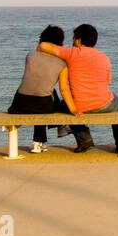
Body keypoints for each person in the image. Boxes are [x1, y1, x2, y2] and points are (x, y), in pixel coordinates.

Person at [38, 23, 118, 154]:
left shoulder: (72, 53)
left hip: (79, 107)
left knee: (65, 105)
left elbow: (43, 46)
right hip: (104, 103)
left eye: (73, 38)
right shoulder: (104, 57)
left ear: (78, 40)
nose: (72, 42)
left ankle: (84, 140)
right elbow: (106, 82)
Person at [8, 25, 77, 154]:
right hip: (42, 106)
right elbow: (64, 89)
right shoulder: (62, 63)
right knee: (46, 96)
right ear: (60, 42)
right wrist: (73, 109)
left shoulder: (30, 55)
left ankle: (38, 142)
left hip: (19, 105)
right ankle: (56, 130)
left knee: (44, 92)